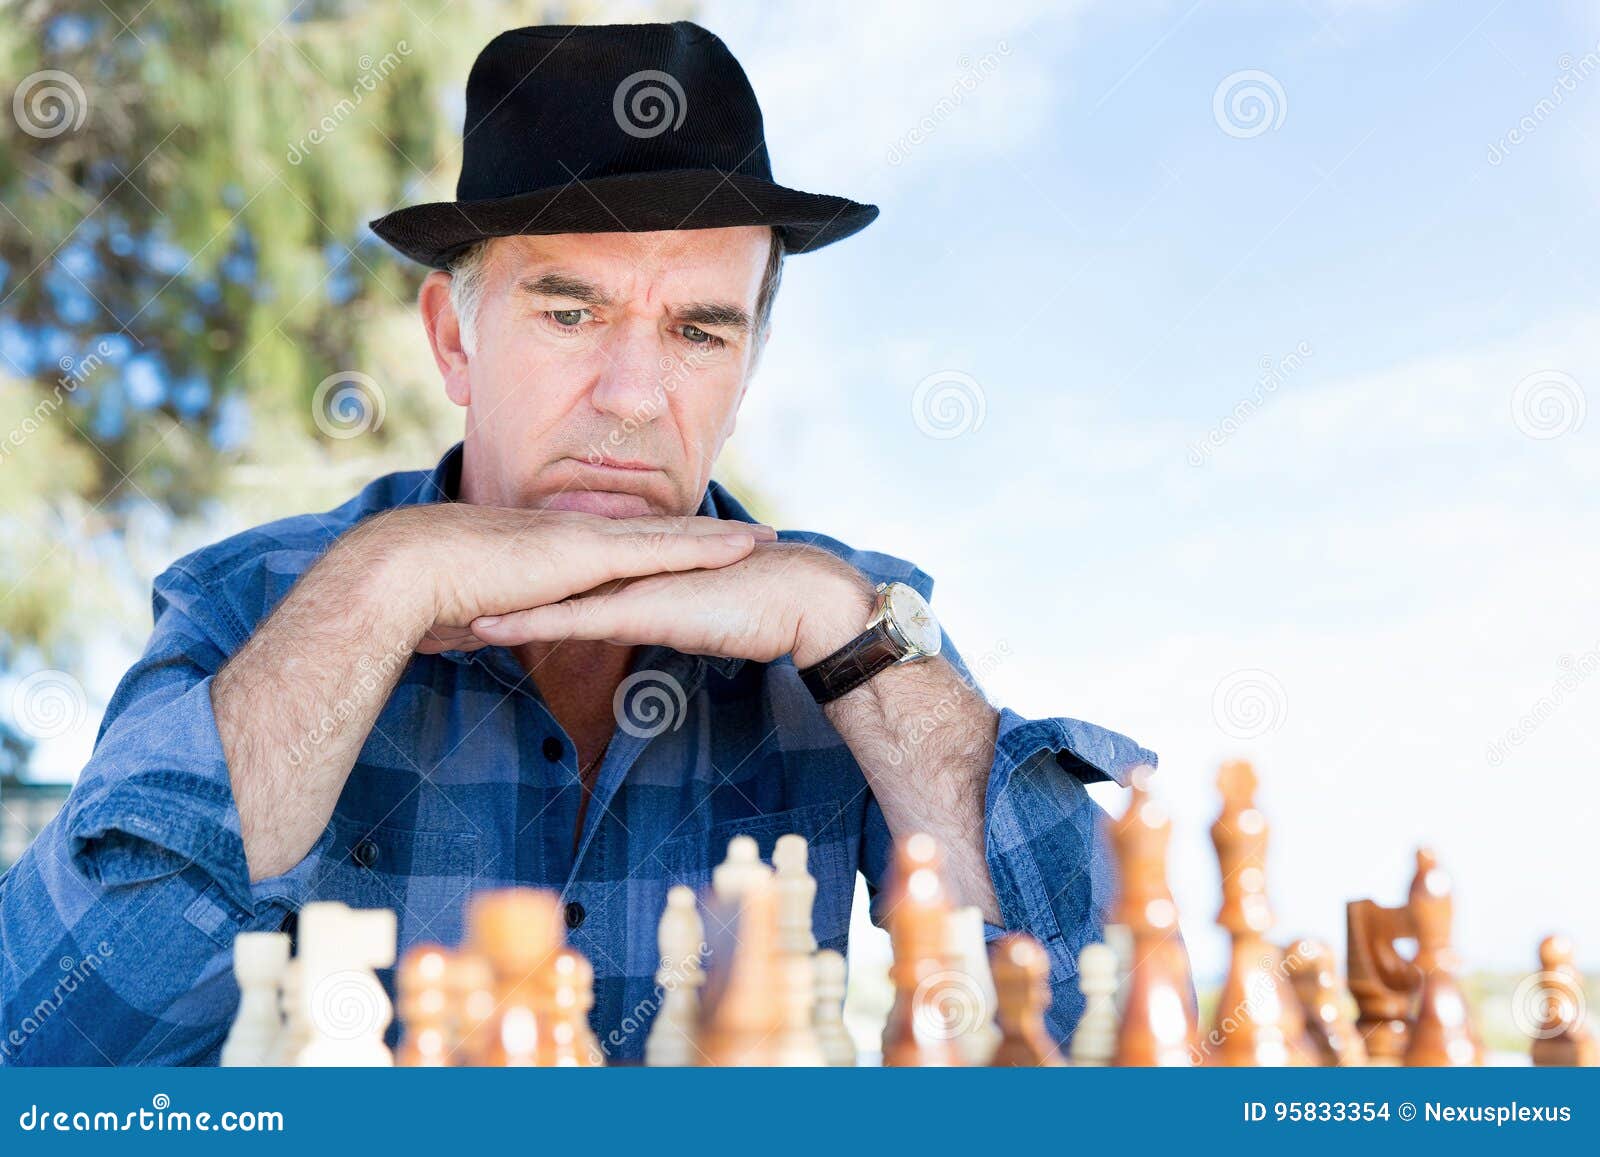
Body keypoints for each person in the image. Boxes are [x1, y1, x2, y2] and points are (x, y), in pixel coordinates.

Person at [0, 21, 1156, 1065]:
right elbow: (46, 1053)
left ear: (746, 368)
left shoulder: (849, 636)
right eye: (571, 311)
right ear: (454, 340)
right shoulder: (253, 601)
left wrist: (853, 640)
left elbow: (1113, 1038)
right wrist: (381, 585)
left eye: (701, 330)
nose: (635, 395)